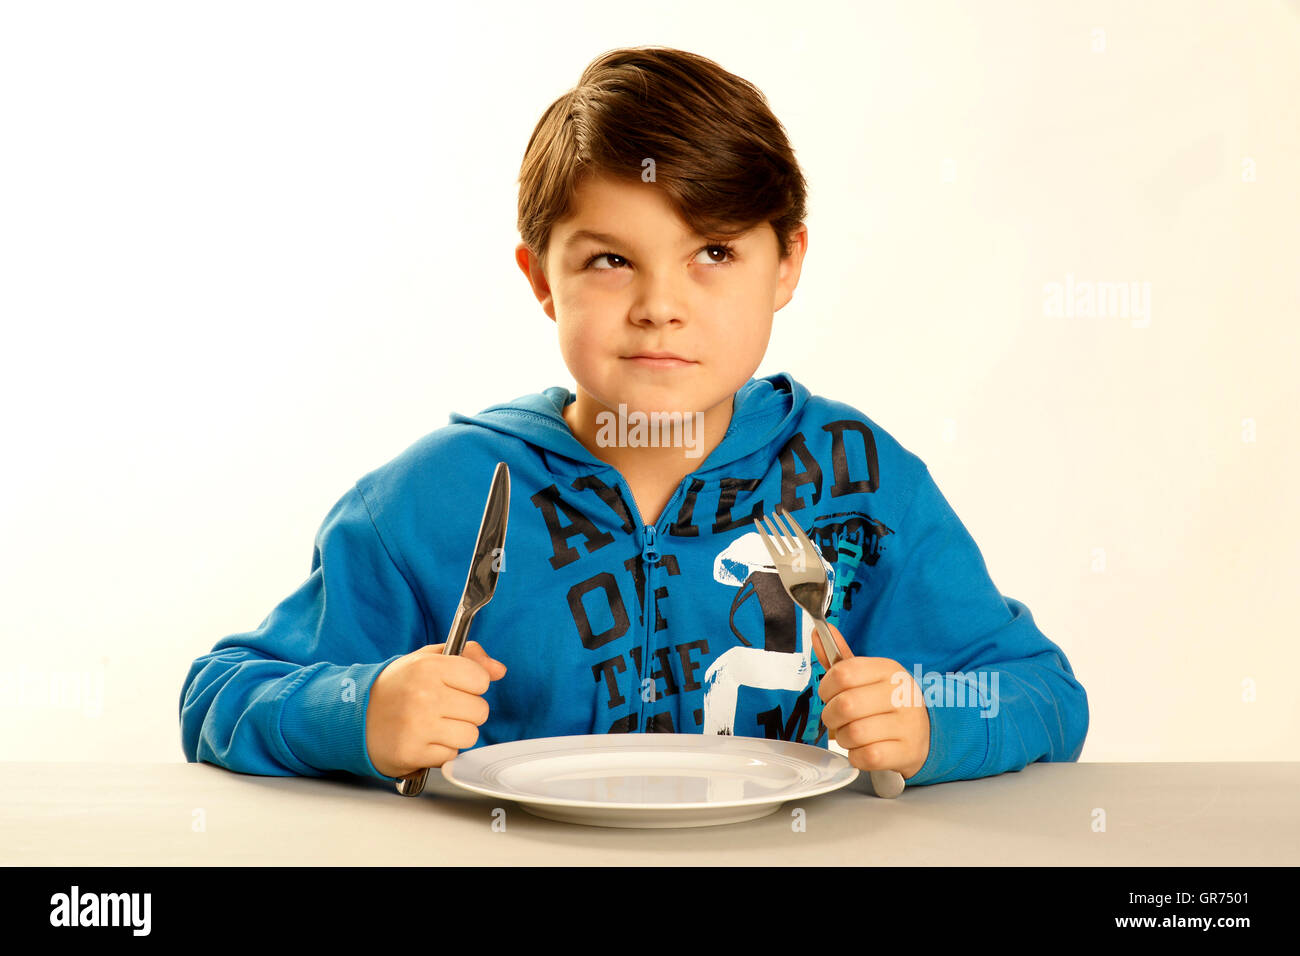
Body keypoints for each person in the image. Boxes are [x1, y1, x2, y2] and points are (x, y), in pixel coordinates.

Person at [180, 46, 1088, 791]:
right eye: (612, 259)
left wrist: (934, 723)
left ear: (787, 264)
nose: (661, 304)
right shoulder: (439, 497)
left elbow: (1043, 691)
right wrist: (362, 712)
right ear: (542, 278)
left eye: (714, 252)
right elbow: (220, 695)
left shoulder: (860, 476)